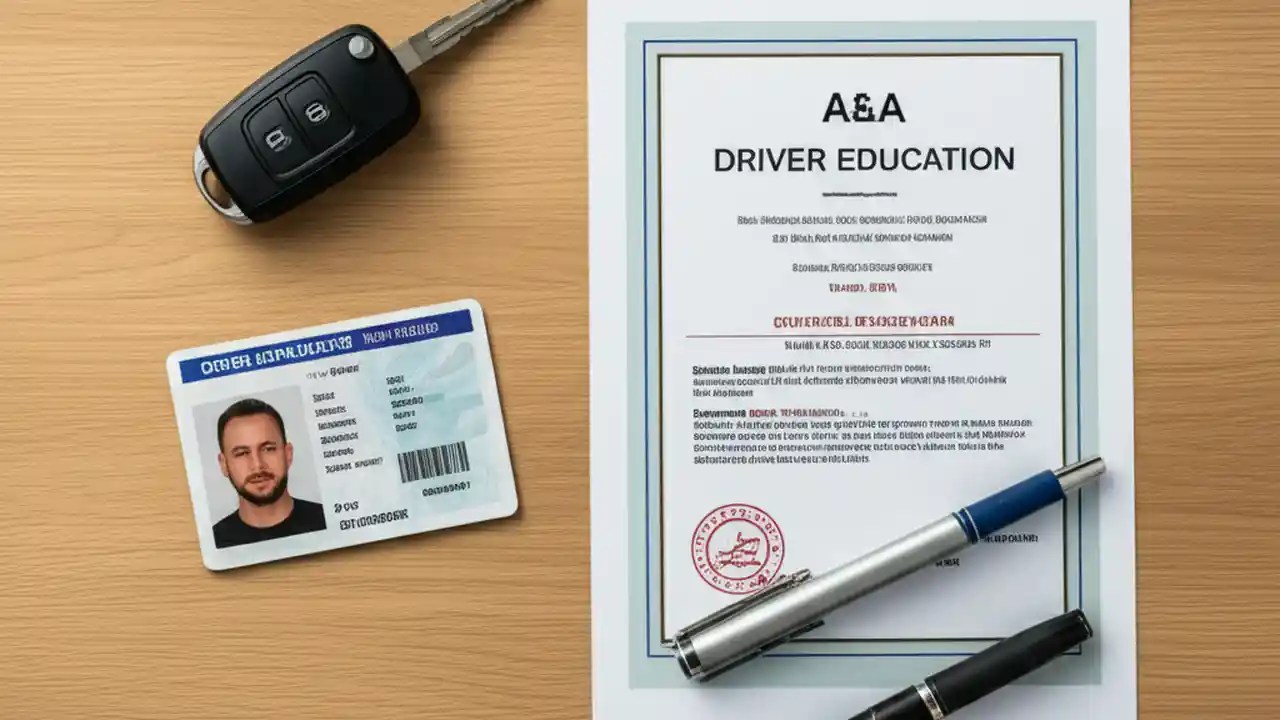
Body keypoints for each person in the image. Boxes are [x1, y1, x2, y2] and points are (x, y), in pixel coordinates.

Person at [211, 398, 326, 548]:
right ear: (224, 464)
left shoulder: (329, 520)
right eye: (242, 453)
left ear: (288, 454)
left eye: (268, 449)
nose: (258, 465)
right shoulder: (214, 543)